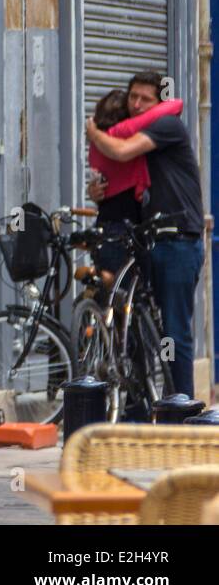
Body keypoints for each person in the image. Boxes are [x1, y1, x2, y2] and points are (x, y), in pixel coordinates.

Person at [86, 71, 205, 398]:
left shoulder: (167, 126)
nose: (136, 105)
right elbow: (122, 180)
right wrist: (96, 191)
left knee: (173, 333)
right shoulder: (138, 130)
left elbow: (122, 152)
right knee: (137, 327)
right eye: (132, 97)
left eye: (145, 99)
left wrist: (93, 131)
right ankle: (140, 408)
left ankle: (180, 410)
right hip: (148, 242)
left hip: (178, 241)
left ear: (160, 103)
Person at [86, 88, 183, 275]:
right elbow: (176, 105)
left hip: (105, 223)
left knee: (109, 292)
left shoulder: (96, 145)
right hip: (130, 227)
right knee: (131, 293)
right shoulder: (124, 133)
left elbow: (101, 185)